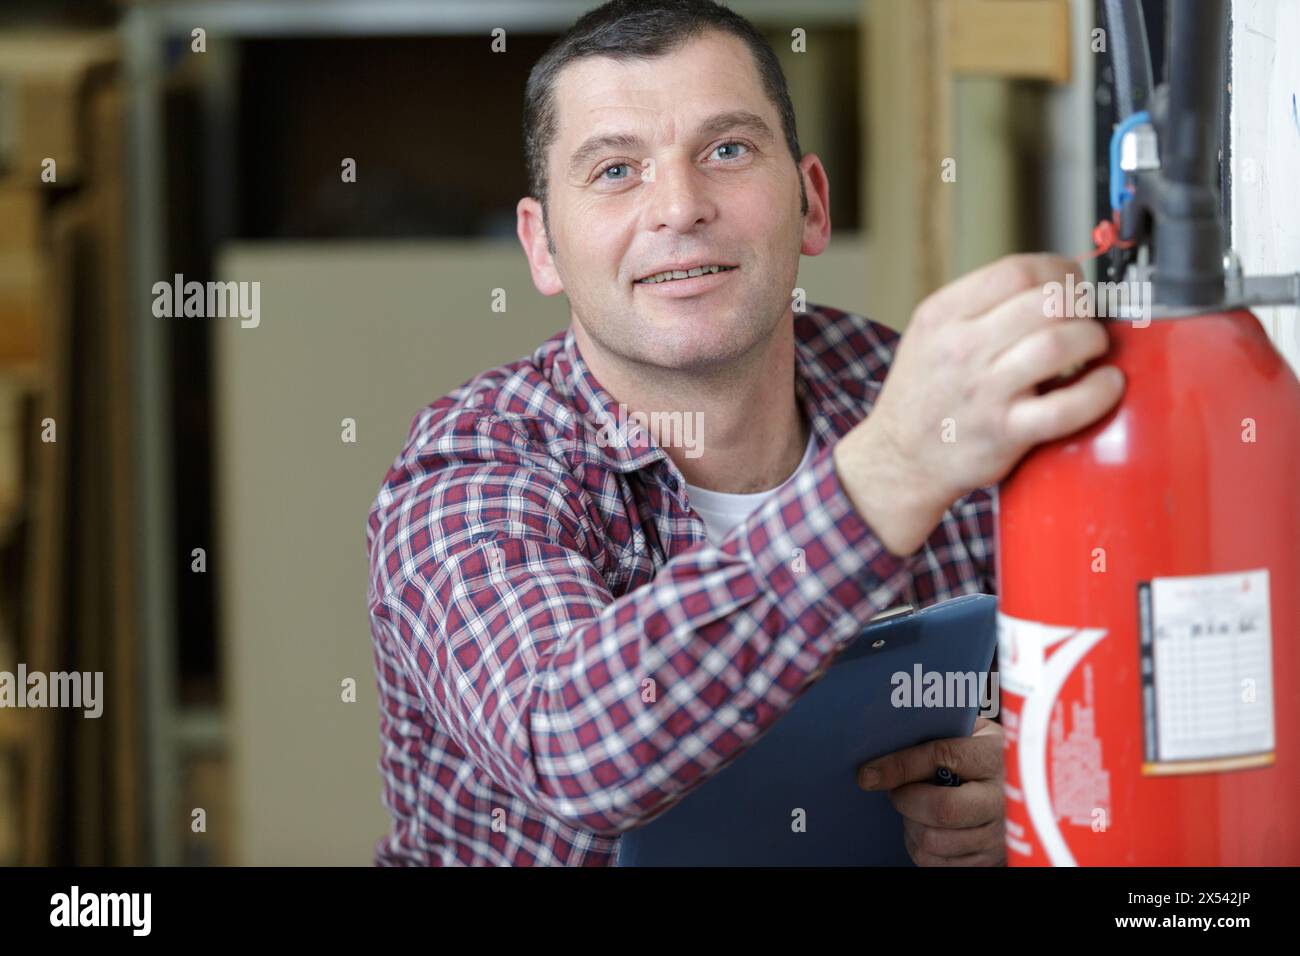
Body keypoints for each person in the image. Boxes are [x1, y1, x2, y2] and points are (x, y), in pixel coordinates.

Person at [366, 0, 1124, 866]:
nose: (680, 207)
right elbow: (570, 747)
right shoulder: (465, 471)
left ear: (810, 202)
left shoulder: (921, 391)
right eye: (615, 170)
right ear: (541, 247)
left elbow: (1119, 701)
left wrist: (1027, 787)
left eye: (726, 151)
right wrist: (888, 476)